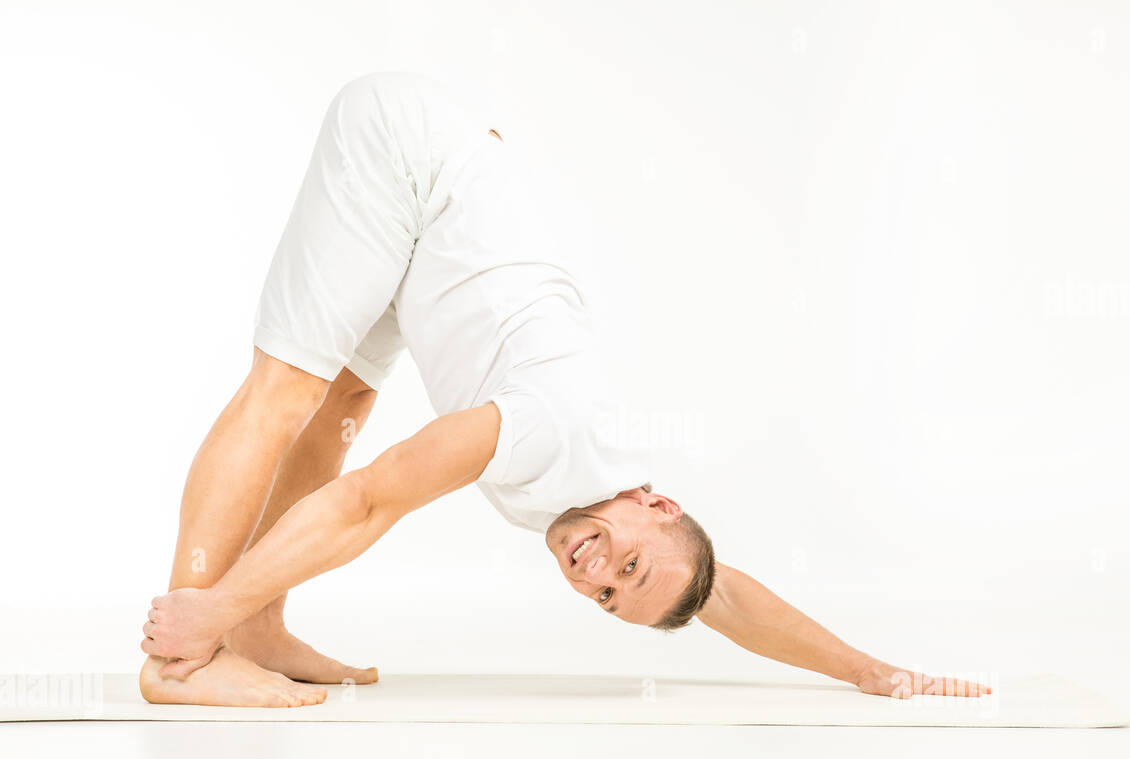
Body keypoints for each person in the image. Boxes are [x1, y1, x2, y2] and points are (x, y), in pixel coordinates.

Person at [138, 72, 989, 707]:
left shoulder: (615, 497)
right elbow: (367, 503)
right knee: (284, 392)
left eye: (610, 595)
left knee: (337, 414)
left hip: (438, 228)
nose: (596, 572)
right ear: (657, 506)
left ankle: (255, 626)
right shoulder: (553, 433)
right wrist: (205, 613)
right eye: (626, 565)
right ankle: (187, 651)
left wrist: (874, 671)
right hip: (407, 166)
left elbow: (716, 589)